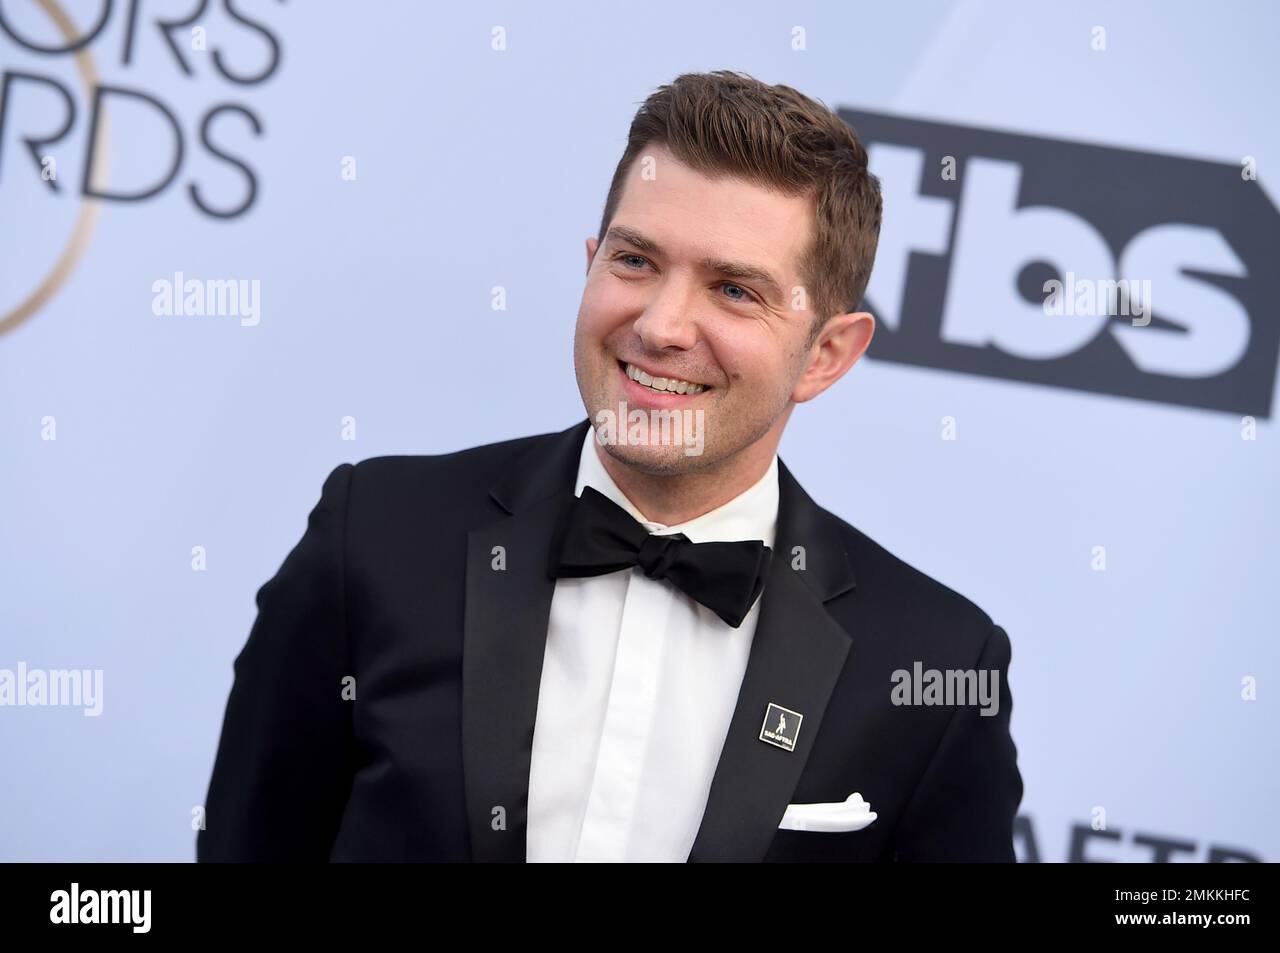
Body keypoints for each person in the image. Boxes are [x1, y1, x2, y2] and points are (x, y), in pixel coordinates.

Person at [197, 70, 1023, 863]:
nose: (662, 325)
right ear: (592, 260)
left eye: (735, 290)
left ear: (827, 354)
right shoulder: (374, 535)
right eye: (635, 261)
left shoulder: (934, 662)